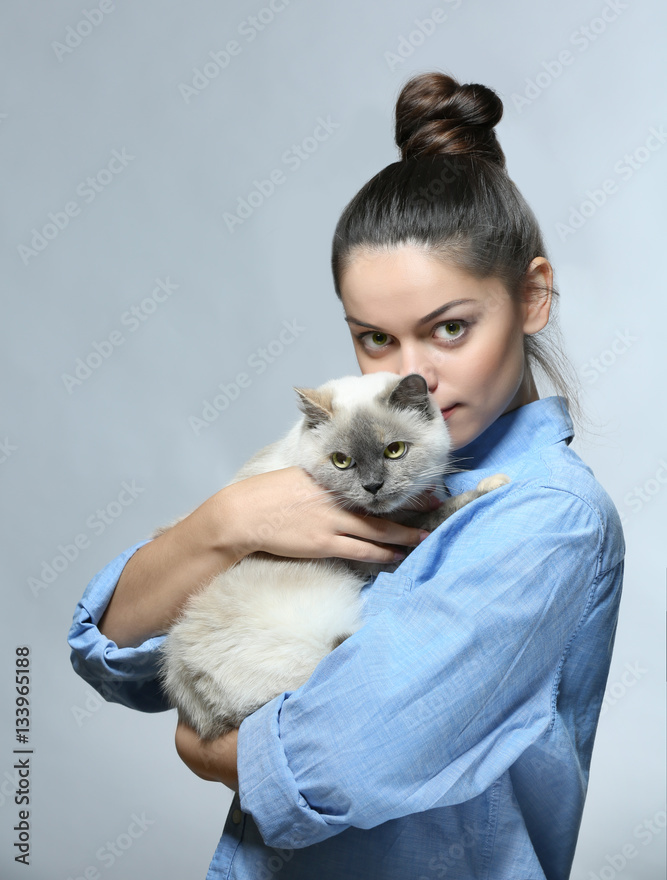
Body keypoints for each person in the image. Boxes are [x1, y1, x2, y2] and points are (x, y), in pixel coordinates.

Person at [67, 71, 625, 880]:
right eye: (373, 338)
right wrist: (228, 521)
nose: (414, 377)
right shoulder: (348, 468)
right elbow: (110, 652)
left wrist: (203, 746)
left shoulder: (542, 518)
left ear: (533, 297)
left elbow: (332, 762)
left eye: (450, 328)